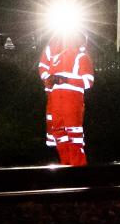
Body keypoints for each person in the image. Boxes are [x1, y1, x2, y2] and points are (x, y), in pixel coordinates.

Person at [38, 30, 94, 165]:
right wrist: (50, 81)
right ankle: (66, 171)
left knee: (74, 141)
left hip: (72, 105)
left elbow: (88, 82)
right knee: (60, 140)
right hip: (56, 105)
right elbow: (45, 73)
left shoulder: (82, 57)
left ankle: (78, 174)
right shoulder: (56, 57)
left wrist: (66, 80)